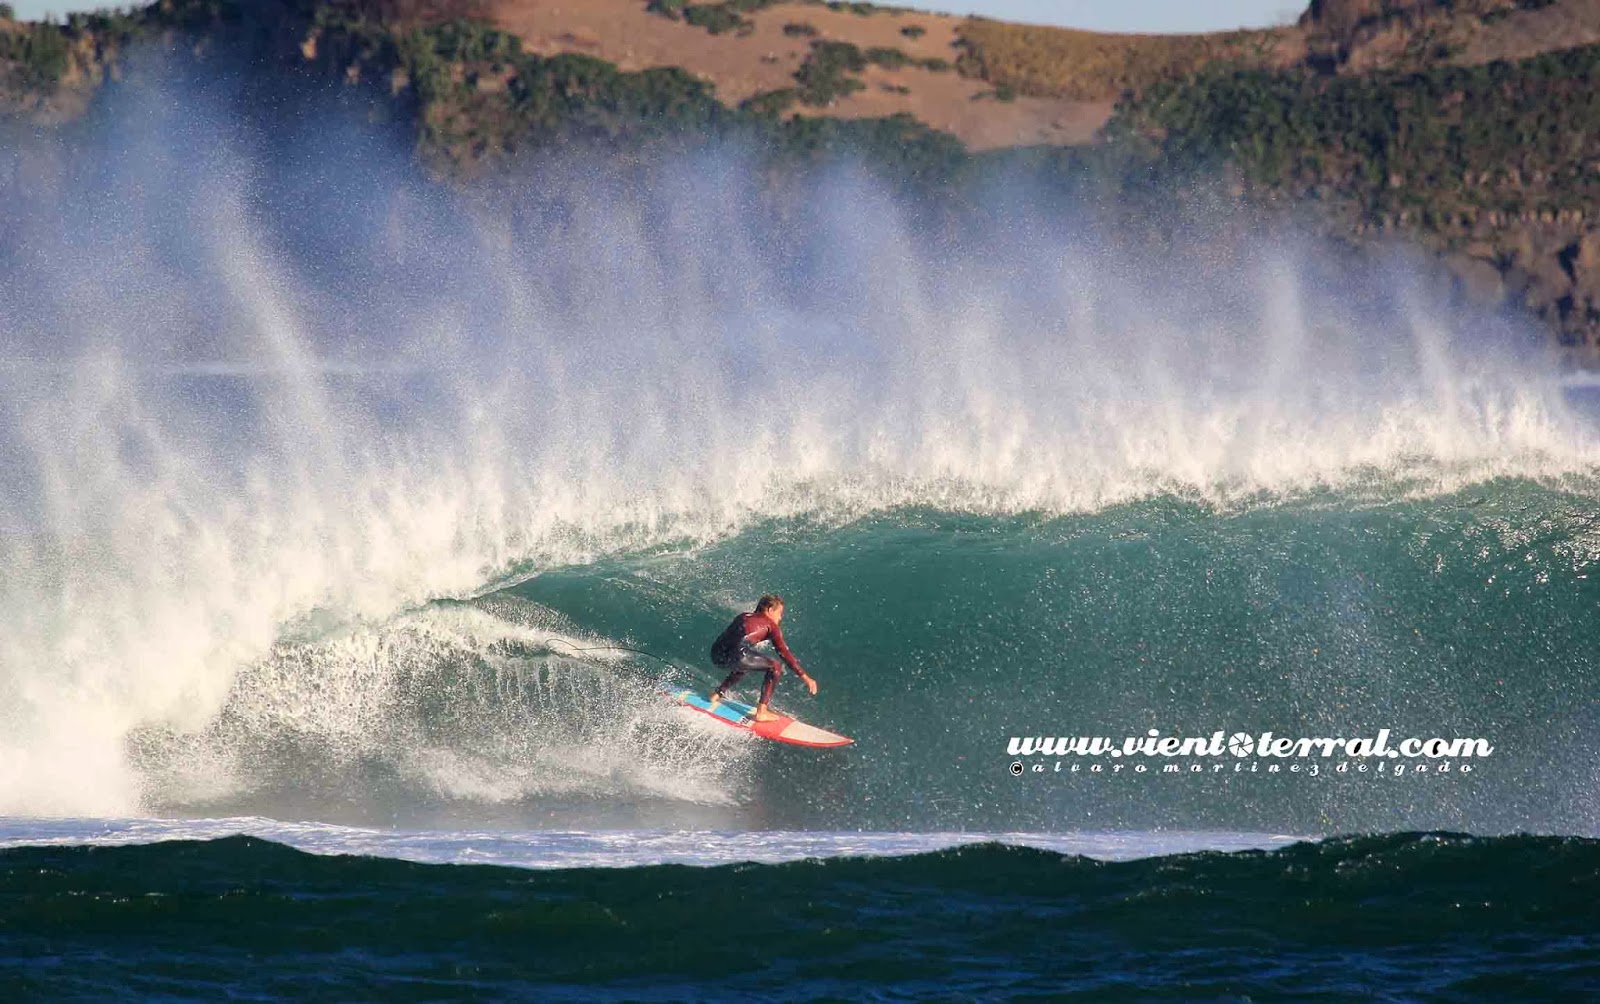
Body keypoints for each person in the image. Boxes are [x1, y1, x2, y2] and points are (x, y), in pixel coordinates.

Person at [707, 594, 817, 722]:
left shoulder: (743, 616)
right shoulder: (772, 626)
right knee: (775, 666)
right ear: (770, 610)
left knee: (744, 664)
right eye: (779, 613)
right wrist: (806, 677)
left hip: (716, 654)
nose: (780, 617)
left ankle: (716, 694)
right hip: (736, 657)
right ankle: (761, 712)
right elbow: (784, 654)